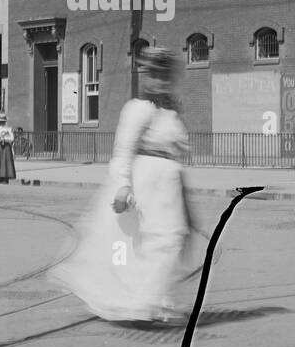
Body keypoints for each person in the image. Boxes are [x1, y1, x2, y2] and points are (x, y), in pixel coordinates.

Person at [49, 48, 196, 324]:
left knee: (168, 242)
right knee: (151, 243)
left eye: (165, 76)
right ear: (146, 78)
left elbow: (178, 153)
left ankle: (155, 300)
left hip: (169, 188)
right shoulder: (139, 109)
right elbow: (123, 152)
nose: (160, 82)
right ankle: (141, 302)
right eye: (154, 75)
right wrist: (122, 186)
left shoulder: (172, 113)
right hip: (147, 186)